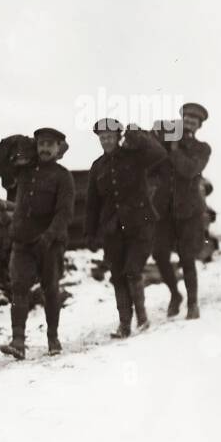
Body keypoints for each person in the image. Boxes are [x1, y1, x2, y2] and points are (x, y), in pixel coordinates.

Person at [0, 128, 75, 359]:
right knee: (19, 289)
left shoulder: (63, 176)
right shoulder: (22, 171)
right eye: (41, 144)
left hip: (50, 243)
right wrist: (10, 140)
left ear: (58, 148)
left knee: (51, 289)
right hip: (22, 241)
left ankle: (53, 338)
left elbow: (64, 213)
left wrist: (49, 237)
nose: (45, 148)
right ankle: (18, 341)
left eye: (50, 144)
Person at [84, 118, 167, 338]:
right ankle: (124, 324)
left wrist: (140, 136)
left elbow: (159, 154)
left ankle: (142, 318)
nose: (106, 141)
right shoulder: (97, 167)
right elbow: (92, 204)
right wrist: (90, 233)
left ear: (118, 137)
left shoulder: (136, 156)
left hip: (140, 225)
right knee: (118, 276)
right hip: (113, 230)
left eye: (110, 137)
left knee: (132, 271)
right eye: (102, 138)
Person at [149, 103, 212, 319]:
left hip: (189, 212)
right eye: (187, 118)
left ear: (199, 126)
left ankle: (192, 303)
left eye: (194, 121)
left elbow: (189, 169)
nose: (189, 123)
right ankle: (175, 294)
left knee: (186, 258)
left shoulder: (202, 148)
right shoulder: (166, 139)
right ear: (181, 119)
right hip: (164, 210)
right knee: (159, 253)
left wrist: (174, 148)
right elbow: (151, 153)